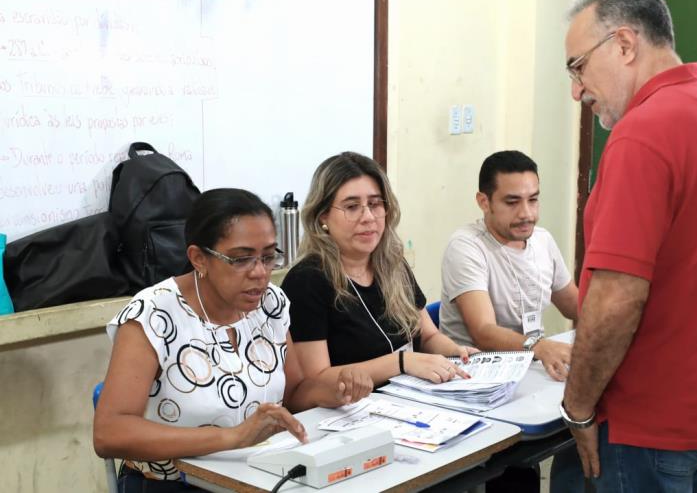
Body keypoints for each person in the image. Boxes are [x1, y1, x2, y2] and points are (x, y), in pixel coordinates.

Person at [561, 0, 697, 492]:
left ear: (624, 44)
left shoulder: (642, 133)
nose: (576, 89)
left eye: (578, 66)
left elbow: (616, 297)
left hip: (648, 422)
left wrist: (579, 409)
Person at [93, 188, 372, 491]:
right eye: (241, 260)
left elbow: (294, 393)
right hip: (173, 483)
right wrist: (233, 437)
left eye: (268, 257)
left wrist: (335, 385)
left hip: (259, 474)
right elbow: (110, 433)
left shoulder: (270, 304)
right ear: (199, 258)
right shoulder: (154, 314)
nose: (260, 273)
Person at [281, 152, 477, 390]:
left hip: (413, 400)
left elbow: (428, 336)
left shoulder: (392, 264)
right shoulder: (306, 281)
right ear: (323, 216)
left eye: (375, 204)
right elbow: (314, 382)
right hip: (350, 413)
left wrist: (456, 353)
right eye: (352, 207)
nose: (368, 217)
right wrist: (401, 363)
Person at [440, 150, 578, 382]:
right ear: (484, 202)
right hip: (475, 376)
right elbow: (483, 332)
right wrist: (540, 347)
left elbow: (574, 305)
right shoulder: (466, 247)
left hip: (529, 367)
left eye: (533, 200)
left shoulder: (542, 240)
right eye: (512, 202)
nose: (526, 214)